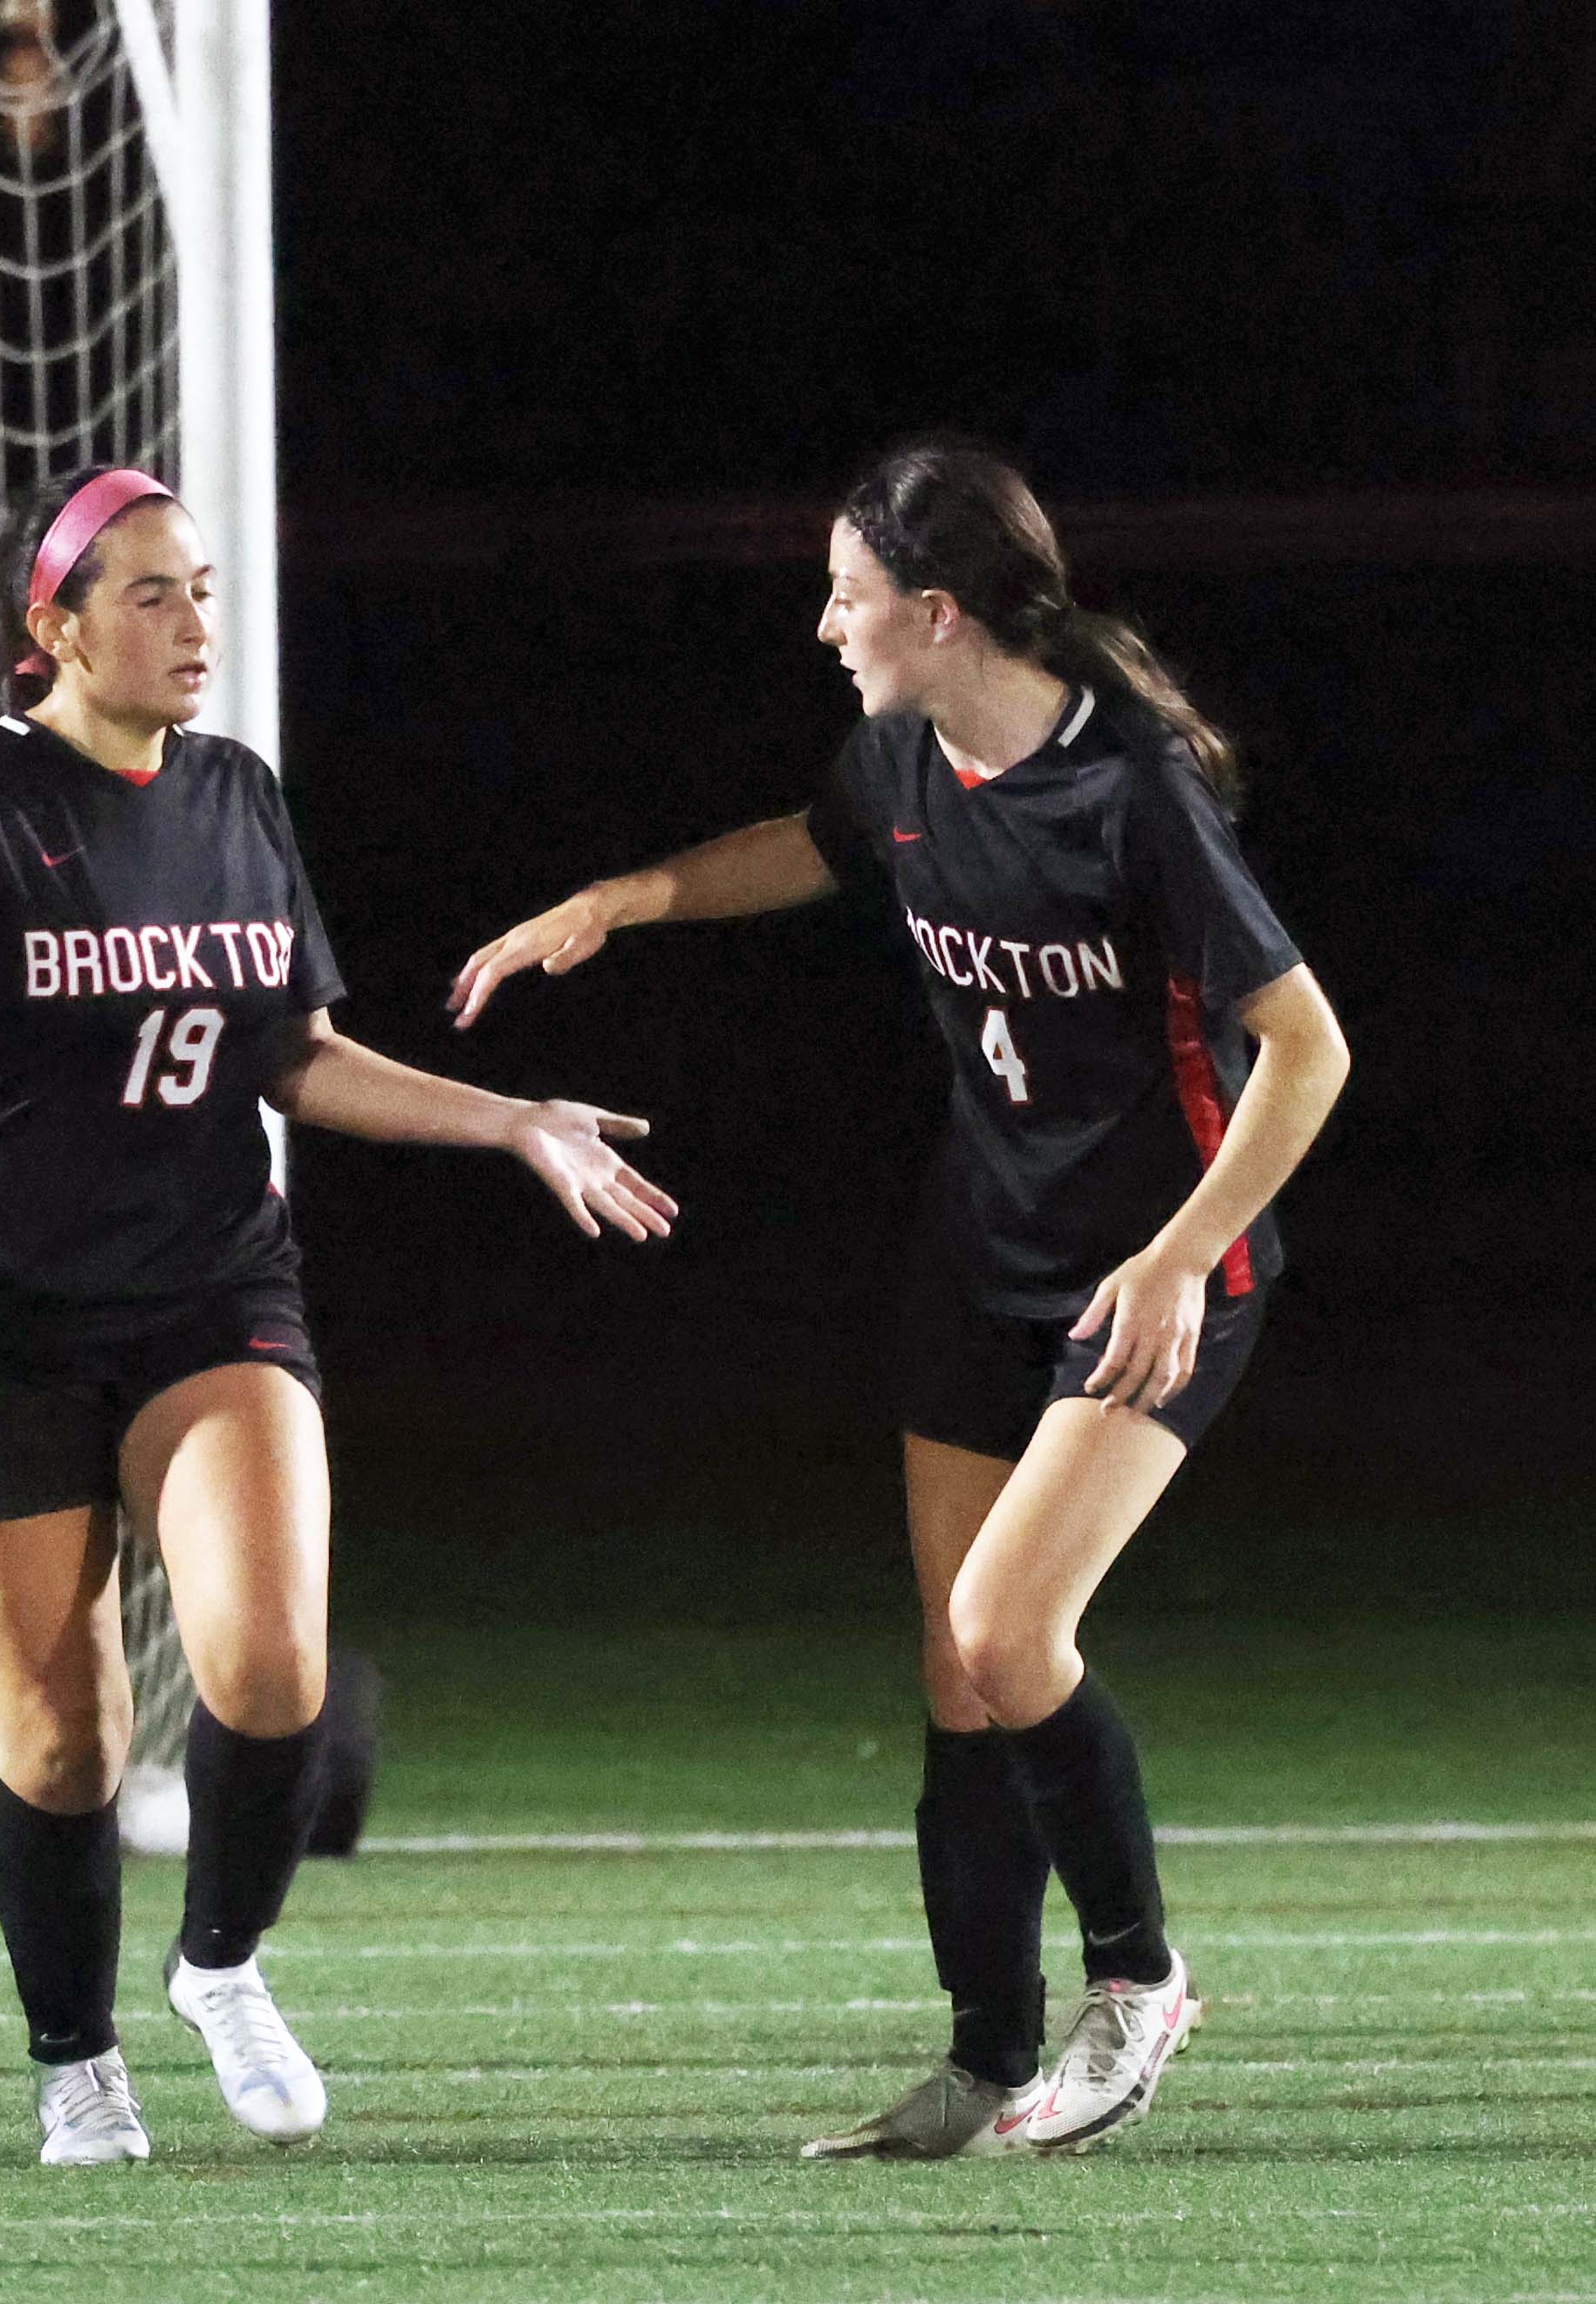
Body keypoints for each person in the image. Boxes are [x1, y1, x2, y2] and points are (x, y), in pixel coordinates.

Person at [0, 463, 678, 2165]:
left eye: (197, 586)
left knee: (268, 1669)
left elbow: (290, 1055)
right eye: (150, 593)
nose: (194, 620)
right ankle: (73, 2059)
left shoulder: (234, 794)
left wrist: (509, 1121)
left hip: (207, 1284)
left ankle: (219, 1961)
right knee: (63, 1738)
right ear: (53, 628)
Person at [449, 435, 1345, 2160]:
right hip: (976, 1257)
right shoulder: (896, 756)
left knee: (1011, 1632)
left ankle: (1137, 1978)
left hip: (1153, 1270)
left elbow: (1305, 1049)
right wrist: (627, 898)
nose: (821, 625)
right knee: (955, 1671)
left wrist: (1176, 1250)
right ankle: (982, 2059)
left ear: (937, 613)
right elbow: (812, 843)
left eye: (845, 596)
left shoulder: (1129, 790)